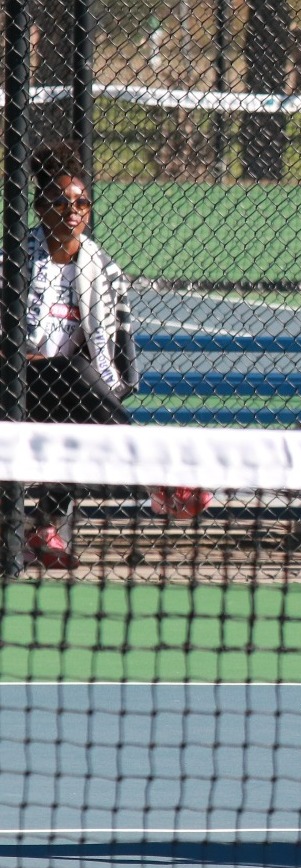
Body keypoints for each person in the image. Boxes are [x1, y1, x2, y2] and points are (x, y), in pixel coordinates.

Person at [17, 143, 138, 568]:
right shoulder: (10, 262)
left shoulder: (105, 273)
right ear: (40, 207)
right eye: (63, 201)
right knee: (73, 375)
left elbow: (115, 352)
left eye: (82, 202)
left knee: (78, 386)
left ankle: (43, 528)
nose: (74, 209)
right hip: (14, 384)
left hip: (68, 390)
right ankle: (148, 463)